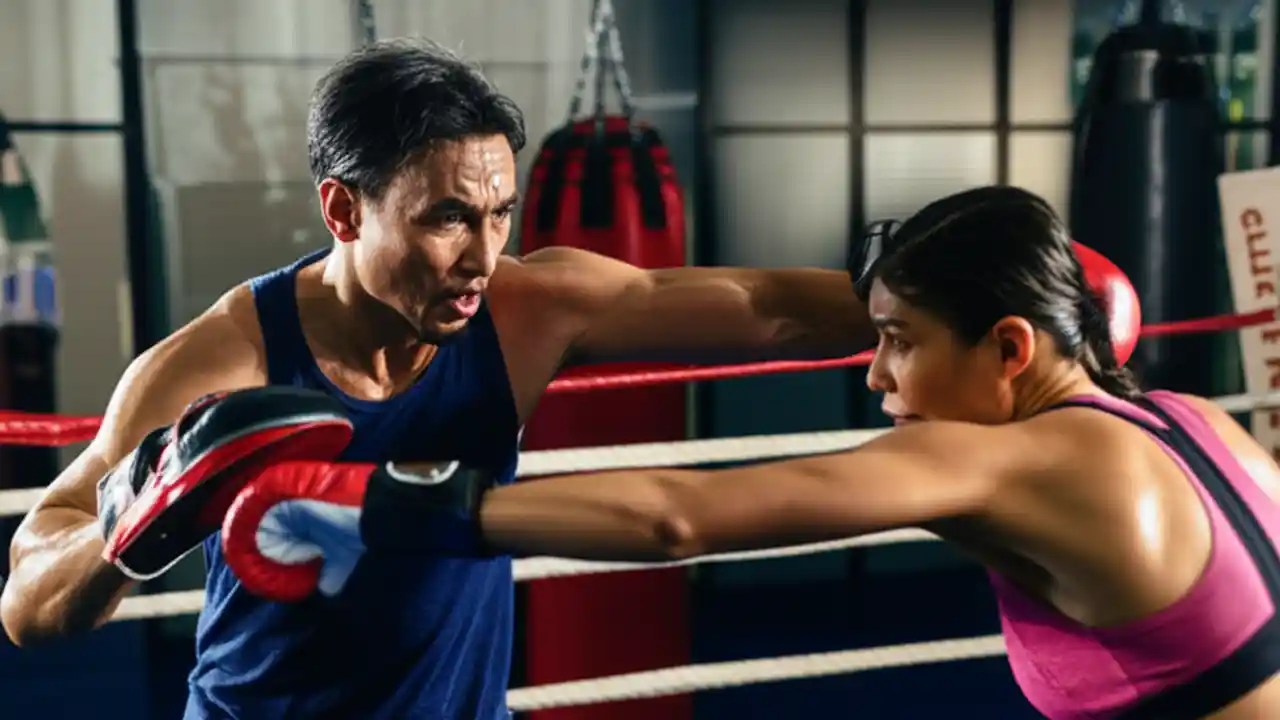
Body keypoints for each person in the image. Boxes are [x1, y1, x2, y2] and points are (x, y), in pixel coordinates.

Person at [0, 39, 869, 720]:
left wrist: (946, 291)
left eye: (499, 214)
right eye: (448, 218)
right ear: (343, 209)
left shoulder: (528, 311)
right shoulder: (220, 363)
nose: (484, 257)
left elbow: (770, 304)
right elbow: (27, 605)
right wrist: (126, 534)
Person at [226, 186, 1280, 720]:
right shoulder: (1206, 425)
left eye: (900, 344)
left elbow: (674, 517)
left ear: (1010, 346)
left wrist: (377, 504)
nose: (875, 378)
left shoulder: (1000, 462)